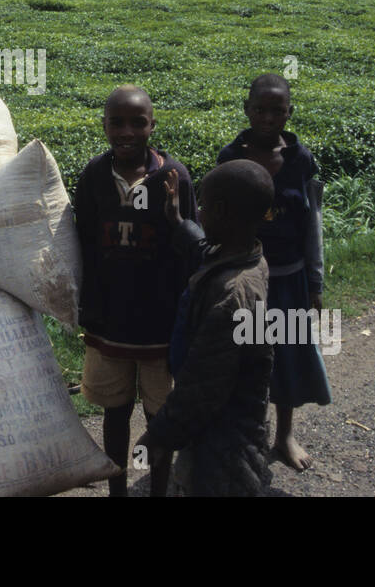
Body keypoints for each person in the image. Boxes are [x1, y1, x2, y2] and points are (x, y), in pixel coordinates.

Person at [73, 84, 197, 496]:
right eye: (117, 123)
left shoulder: (173, 178)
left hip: (160, 323)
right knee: (115, 411)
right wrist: (86, 305)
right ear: (104, 125)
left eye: (137, 123)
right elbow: (84, 245)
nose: (127, 131)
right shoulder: (93, 176)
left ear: (152, 126)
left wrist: (175, 220)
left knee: (158, 416)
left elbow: (192, 250)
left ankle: (157, 487)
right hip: (111, 319)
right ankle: (117, 489)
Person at [135, 160, 275, 496]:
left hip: (223, 429)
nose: (200, 210)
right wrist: (179, 222)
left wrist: (158, 434)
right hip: (239, 413)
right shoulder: (248, 258)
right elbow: (203, 251)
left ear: (223, 211)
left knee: (217, 482)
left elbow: (203, 385)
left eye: (205, 205)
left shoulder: (231, 297)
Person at [217, 73, 331, 470]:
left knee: (288, 357)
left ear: (289, 113)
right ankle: (247, 437)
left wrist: (314, 280)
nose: (268, 118)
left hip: (289, 277)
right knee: (243, 357)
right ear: (247, 110)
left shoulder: (301, 161)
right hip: (244, 280)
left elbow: (312, 222)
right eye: (260, 110)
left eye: (277, 111)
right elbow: (218, 218)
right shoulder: (230, 158)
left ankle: (284, 435)